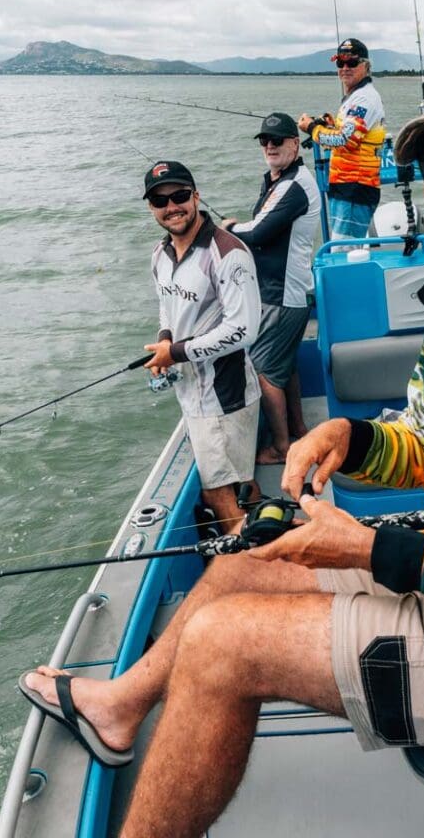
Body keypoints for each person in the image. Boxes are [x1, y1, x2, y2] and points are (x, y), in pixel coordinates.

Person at [20, 66, 424, 838]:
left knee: (222, 644)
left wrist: (370, 549)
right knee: (246, 559)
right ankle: (120, 706)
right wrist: (350, 438)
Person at [142, 160, 262, 533]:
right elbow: (167, 305)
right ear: (151, 207)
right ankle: (269, 539)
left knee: (218, 494)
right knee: (240, 480)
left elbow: (244, 330)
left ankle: (250, 566)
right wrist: (165, 340)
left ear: (196, 196)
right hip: (191, 393)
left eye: (179, 196)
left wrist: (175, 353)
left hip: (224, 396)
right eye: (161, 201)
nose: (172, 207)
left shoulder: (228, 253)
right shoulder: (160, 254)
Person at [221, 113, 321, 464]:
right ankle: (298, 430)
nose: (269, 146)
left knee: (264, 372)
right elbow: (263, 225)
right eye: (264, 141)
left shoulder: (294, 185)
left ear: (295, 143)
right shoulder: (282, 180)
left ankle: (281, 448)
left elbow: (259, 232)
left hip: (282, 295)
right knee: (285, 365)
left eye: (277, 140)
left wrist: (226, 229)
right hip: (286, 292)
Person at [298, 37, 386, 242]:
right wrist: (331, 126)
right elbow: (350, 135)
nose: (345, 68)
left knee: (344, 253)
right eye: (340, 63)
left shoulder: (364, 98)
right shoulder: (355, 97)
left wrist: (311, 127)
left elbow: (345, 141)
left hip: (355, 189)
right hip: (346, 187)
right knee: (346, 251)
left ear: (365, 65)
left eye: (352, 63)